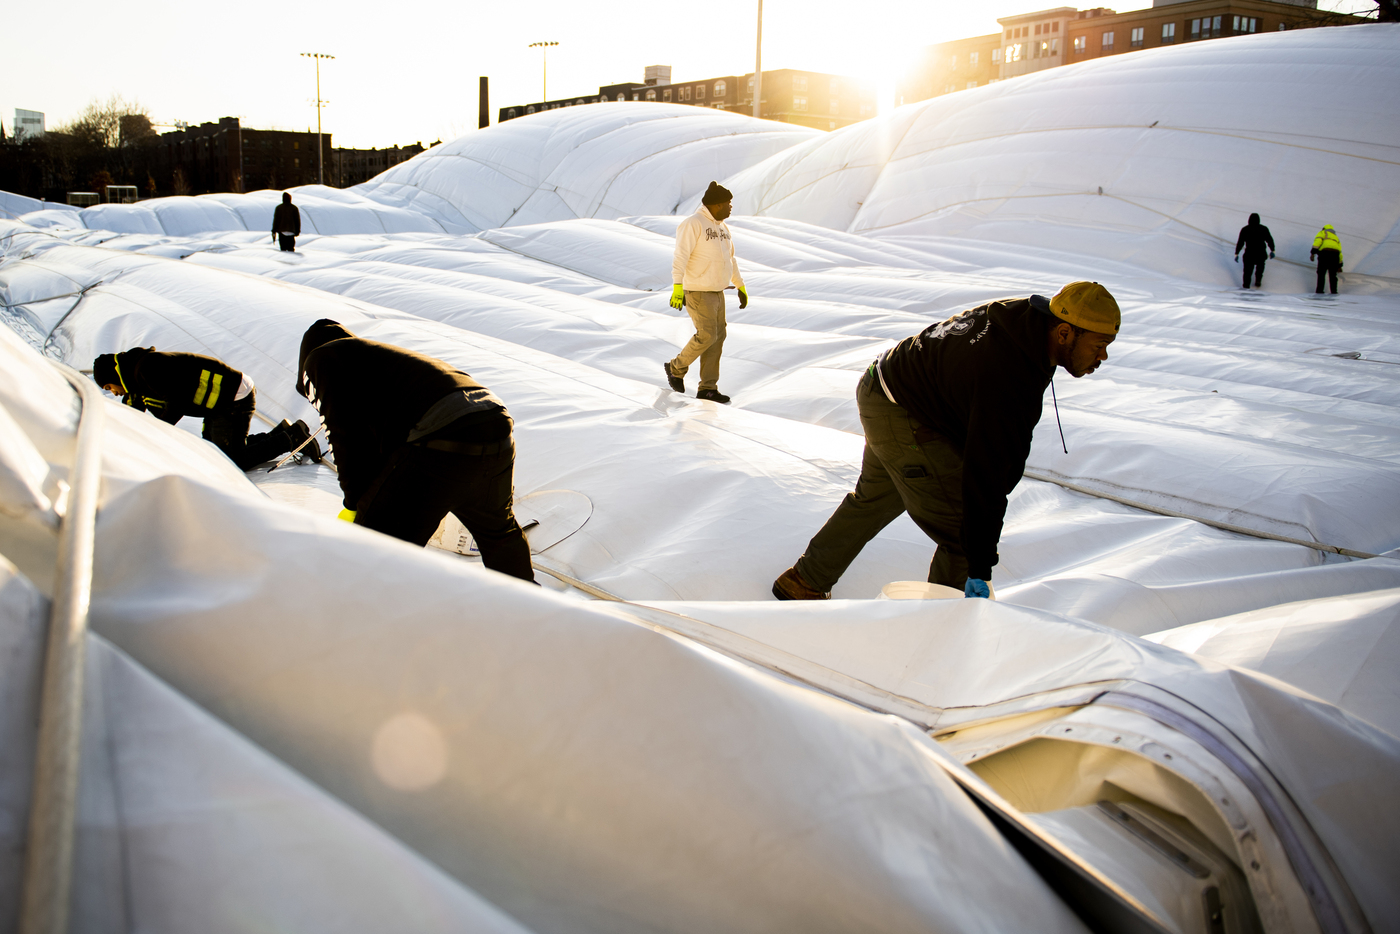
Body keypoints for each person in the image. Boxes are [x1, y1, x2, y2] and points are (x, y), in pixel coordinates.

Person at [772, 282, 1120, 602]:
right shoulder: (1009, 375)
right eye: (1099, 346)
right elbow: (988, 471)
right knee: (962, 534)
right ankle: (941, 628)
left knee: (875, 498)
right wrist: (979, 566)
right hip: (904, 410)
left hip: (884, 385)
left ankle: (804, 581)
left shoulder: (1023, 320)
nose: (1102, 357)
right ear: (1063, 332)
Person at [296, 319, 537, 583]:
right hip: (495, 423)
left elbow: (345, 440)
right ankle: (533, 612)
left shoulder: (323, 359)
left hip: (442, 434)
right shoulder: (386, 361)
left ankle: (364, 611)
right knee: (499, 533)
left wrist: (354, 506)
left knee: (375, 548)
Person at [93, 348, 319, 470]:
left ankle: (292, 438)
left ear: (113, 377)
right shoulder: (136, 376)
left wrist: (160, 427)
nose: (113, 392)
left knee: (231, 461)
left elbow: (177, 401)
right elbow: (132, 412)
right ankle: (282, 432)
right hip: (218, 403)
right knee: (215, 453)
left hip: (233, 397)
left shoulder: (146, 368)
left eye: (108, 387)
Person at [663, 181, 748, 404]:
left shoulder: (722, 228)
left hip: (717, 292)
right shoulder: (693, 224)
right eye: (728, 203)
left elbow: (730, 259)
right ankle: (675, 368)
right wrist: (677, 287)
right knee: (707, 335)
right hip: (698, 291)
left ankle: (708, 388)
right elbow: (680, 256)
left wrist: (740, 285)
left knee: (717, 338)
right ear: (717, 204)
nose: (731, 207)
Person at [1233, 213, 1275, 289]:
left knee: (1247, 272)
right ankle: (1258, 282)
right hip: (1261, 254)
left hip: (1249, 255)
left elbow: (1240, 242)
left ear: (1249, 220)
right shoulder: (1263, 229)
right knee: (1260, 270)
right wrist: (1272, 250)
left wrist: (1236, 253)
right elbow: (1270, 240)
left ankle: (1246, 286)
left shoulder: (1245, 229)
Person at [1310, 224, 1343, 294]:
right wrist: (1340, 265)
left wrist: (1313, 253)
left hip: (1325, 254)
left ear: (1324, 228)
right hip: (1335, 255)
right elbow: (1340, 251)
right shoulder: (1336, 237)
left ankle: (1319, 291)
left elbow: (1317, 242)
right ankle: (1334, 292)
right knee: (1333, 275)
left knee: (1321, 273)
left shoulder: (1323, 233)